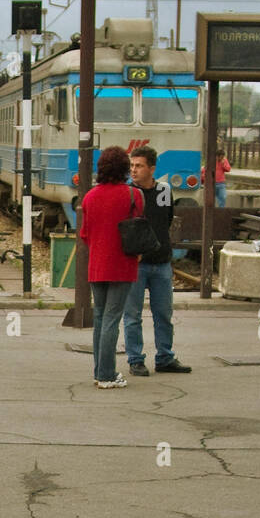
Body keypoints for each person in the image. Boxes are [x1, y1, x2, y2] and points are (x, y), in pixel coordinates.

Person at [122, 146, 191, 376]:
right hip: (136, 263)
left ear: (152, 169)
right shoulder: (128, 192)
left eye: (139, 166)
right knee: (132, 315)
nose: (133, 170)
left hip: (161, 263)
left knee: (164, 314)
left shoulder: (164, 190)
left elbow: (167, 219)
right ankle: (135, 359)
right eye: (132, 165)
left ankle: (165, 357)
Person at [79, 145, 142, 389]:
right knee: (112, 318)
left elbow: (85, 234)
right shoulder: (133, 196)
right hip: (123, 263)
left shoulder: (89, 197)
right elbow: (138, 228)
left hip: (97, 265)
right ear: (125, 169)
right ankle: (107, 374)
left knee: (100, 316)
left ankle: (99, 371)